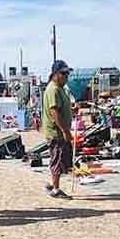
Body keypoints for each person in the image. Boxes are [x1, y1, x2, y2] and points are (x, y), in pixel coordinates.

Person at [42, 60, 74, 199]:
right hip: (56, 132)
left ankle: (52, 183)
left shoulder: (60, 88)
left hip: (60, 131)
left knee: (62, 159)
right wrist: (65, 131)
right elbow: (54, 112)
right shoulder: (53, 89)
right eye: (63, 73)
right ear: (55, 74)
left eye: (67, 74)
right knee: (57, 159)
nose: (66, 76)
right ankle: (55, 189)